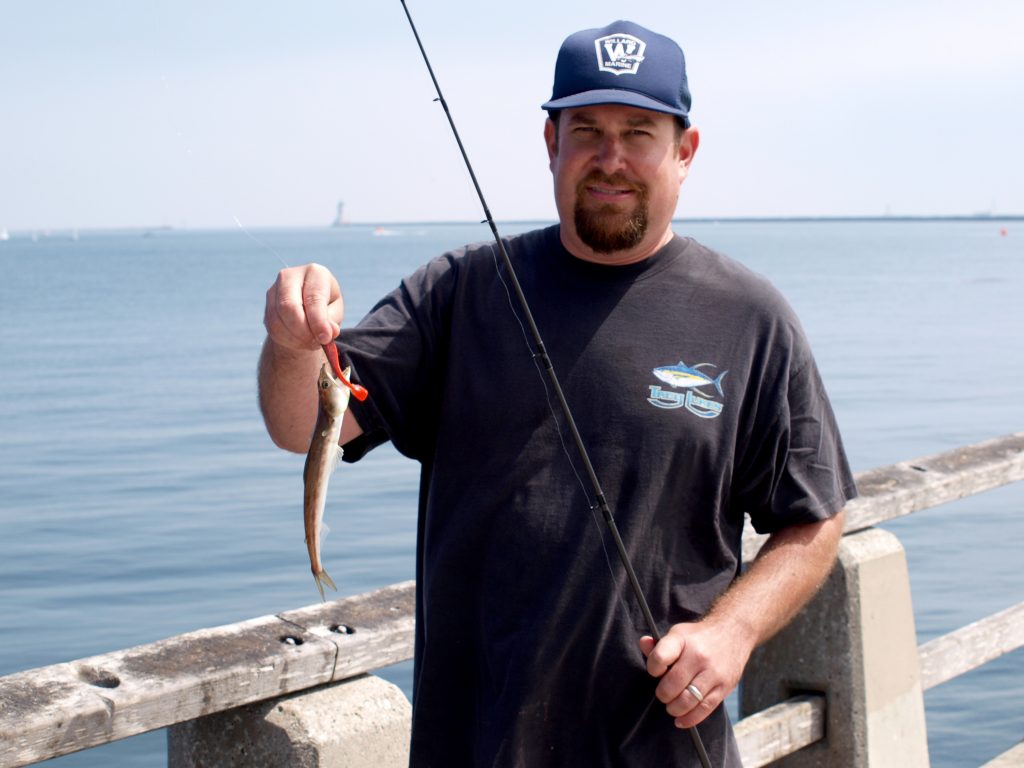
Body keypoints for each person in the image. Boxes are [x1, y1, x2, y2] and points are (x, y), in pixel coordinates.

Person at [259, 19, 855, 768]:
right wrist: (289, 343)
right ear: (551, 144)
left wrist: (732, 630)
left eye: (639, 132)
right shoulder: (457, 294)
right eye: (587, 130)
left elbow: (814, 519)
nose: (612, 159)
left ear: (685, 151)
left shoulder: (751, 319)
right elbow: (302, 426)